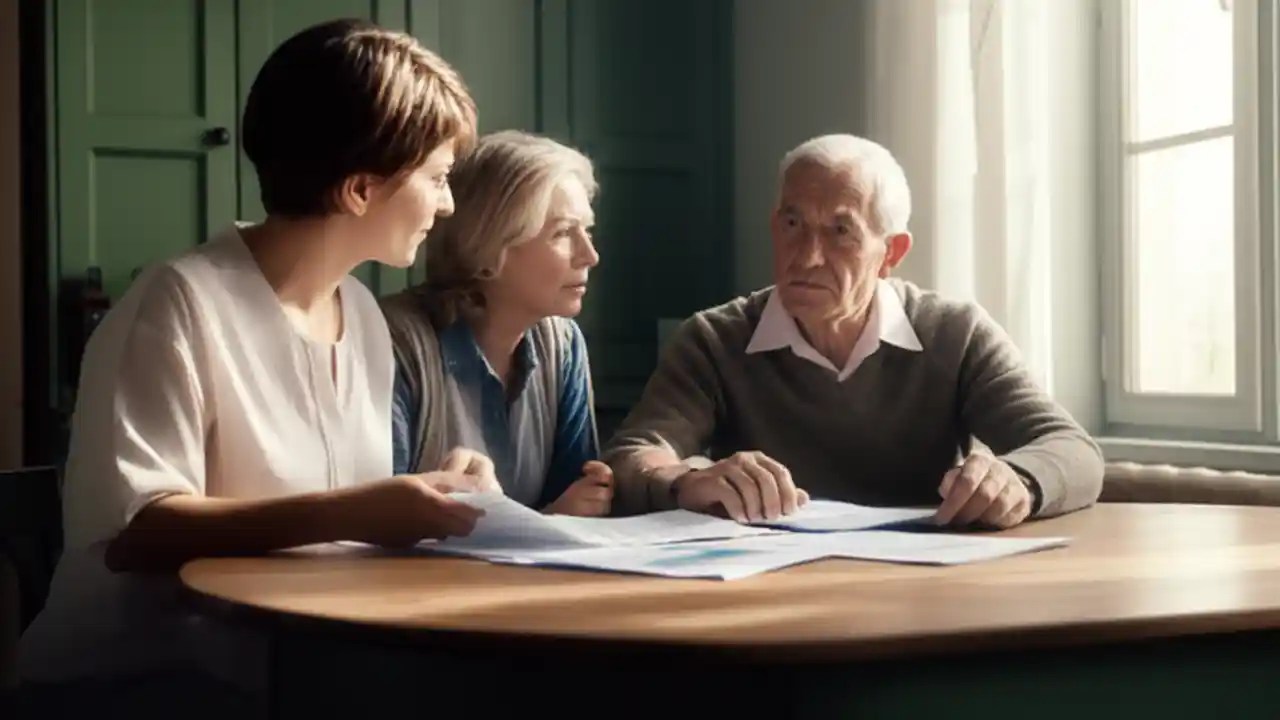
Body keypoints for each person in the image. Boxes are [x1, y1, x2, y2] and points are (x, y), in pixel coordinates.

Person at [19, 19, 485, 713]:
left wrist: (438, 497)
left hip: (293, 672)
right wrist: (363, 511)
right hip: (131, 684)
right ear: (360, 190)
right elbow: (137, 534)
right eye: (438, 179)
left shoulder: (362, 315)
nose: (446, 205)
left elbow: (339, 522)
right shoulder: (177, 302)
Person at [604, 134, 1103, 528]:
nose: (807, 257)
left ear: (891, 253)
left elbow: (1072, 449)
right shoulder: (715, 340)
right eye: (793, 225)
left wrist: (1018, 481)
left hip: (923, 589)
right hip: (769, 590)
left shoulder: (955, 334)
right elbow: (630, 456)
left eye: (840, 232)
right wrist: (684, 481)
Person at [383, 130, 612, 517]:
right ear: (488, 247)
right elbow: (382, 523)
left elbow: (579, 497)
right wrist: (548, 520)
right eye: (562, 233)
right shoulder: (397, 344)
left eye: (586, 231)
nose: (590, 255)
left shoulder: (562, 343)